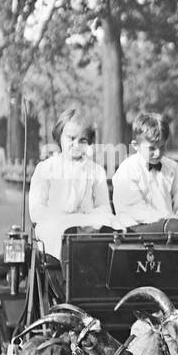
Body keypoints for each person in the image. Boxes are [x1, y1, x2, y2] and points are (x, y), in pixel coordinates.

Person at [27, 110, 122, 261]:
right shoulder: (46, 168)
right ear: (60, 137)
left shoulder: (96, 171)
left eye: (82, 140)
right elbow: (37, 211)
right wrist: (66, 218)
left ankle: (106, 275)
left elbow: (104, 207)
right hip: (55, 224)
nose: (76, 145)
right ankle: (67, 279)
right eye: (71, 138)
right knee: (65, 233)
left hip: (88, 223)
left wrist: (89, 219)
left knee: (116, 227)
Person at [112, 112, 178, 232]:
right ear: (135, 145)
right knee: (176, 227)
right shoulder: (127, 170)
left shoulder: (172, 167)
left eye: (162, 147)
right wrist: (173, 218)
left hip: (169, 223)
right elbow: (137, 211)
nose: (158, 153)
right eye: (151, 148)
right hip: (136, 228)